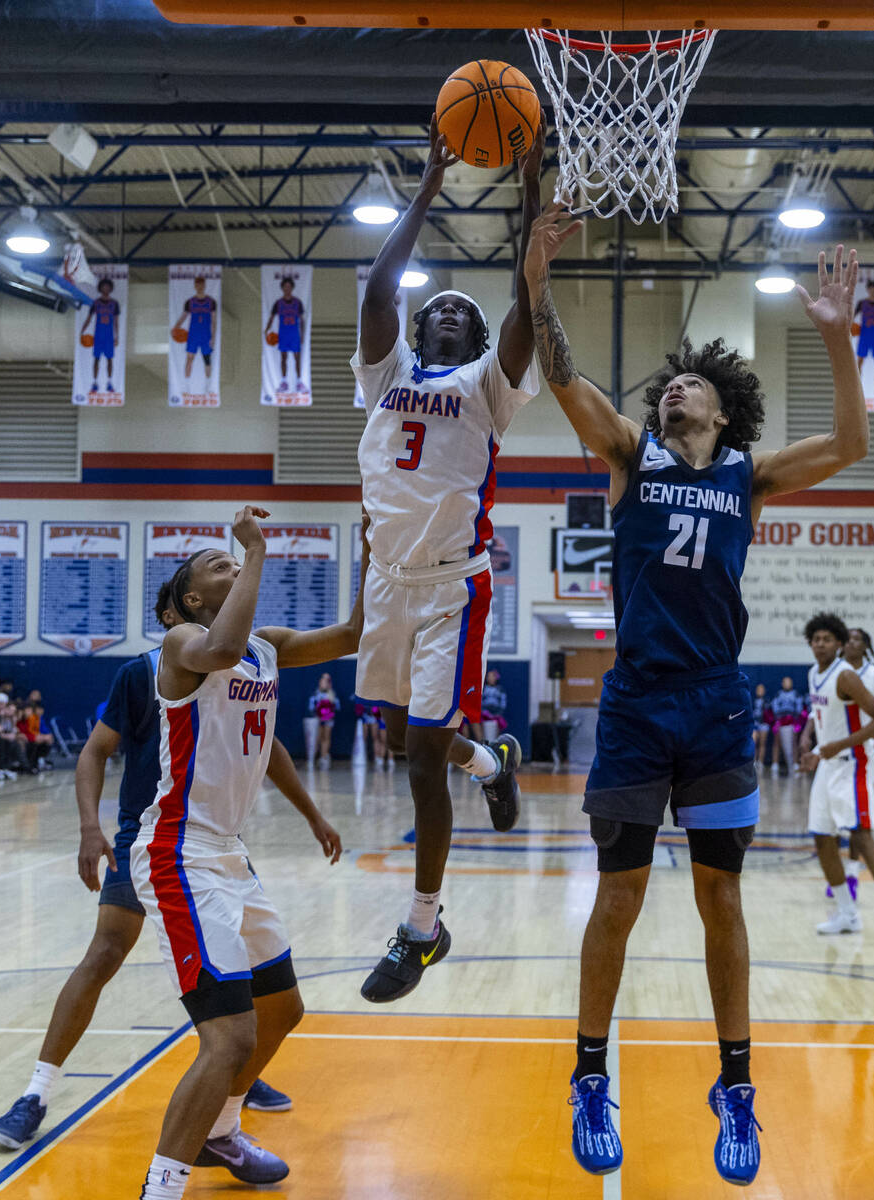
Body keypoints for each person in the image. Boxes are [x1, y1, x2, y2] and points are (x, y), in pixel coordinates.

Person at [524, 207, 869, 1186]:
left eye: (694, 384)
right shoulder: (630, 457)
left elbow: (849, 440)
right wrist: (536, 276)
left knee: (723, 896)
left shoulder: (749, 479)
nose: (676, 386)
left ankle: (737, 1087)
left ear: (720, 413)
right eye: (669, 382)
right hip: (636, 701)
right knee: (620, 896)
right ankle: (591, 1075)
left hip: (716, 703)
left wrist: (839, 341)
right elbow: (558, 375)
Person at [0, 583, 343, 1153]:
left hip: (215, 840)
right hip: (151, 837)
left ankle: (229, 1075)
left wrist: (313, 815)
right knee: (105, 953)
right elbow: (95, 750)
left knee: (249, 976)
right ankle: (36, 1091)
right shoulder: (145, 670)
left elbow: (268, 744)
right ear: (178, 612)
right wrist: (88, 827)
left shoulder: (247, 663)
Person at [350, 116, 543, 1004]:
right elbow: (378, 293)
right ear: (421, 333)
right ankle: (493, 763)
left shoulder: (488, 389)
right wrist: (427, 185)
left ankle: (422, 928)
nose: (452, 318)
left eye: (465, 316)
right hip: (384, 581)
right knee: (401, 741)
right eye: (441, 312)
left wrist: (531, 199)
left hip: (451, 589)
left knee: (422, 757)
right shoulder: (384, 373)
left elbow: (524, 312)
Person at [129, 505, 367, 1197]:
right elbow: (221, 653)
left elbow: (352, 634)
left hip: (229, 854)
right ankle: (161, 1187)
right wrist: (255, 550)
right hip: (178, 851)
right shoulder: (183, 646)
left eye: (232, 559)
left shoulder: (268, 645)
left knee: (283, 1010)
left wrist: (377, 548)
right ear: (190, 601)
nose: (229, 563)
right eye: (217, 566)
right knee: (228, 1038)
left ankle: (221, 1130)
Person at [799, 613, 874, 946]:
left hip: (854, 763)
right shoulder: (813, 674)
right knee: (822, 838)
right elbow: (824, 722)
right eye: (815, 638)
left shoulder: (846, 676)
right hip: (828, 764)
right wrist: (813, 749)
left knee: (861, 838)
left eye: (827, 639)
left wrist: (839, 745)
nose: (820, 644)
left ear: (838, 644)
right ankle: (847, 914)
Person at [816, 625, 874, 900]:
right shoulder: (835, 673)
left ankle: (851, 873)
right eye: (848, 638)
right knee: (834, 823)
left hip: (861, 755)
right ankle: (844, 879)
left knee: (856, 821)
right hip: (835, 755)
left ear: (865, 646)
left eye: (858, 639)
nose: (852, 642)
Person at [264, 275, 307, 395]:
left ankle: (299, 382)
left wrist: (302, 335)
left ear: (292, 288)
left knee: (297, 358)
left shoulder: (297, 303)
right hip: (283, 333)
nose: (287, 288)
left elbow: (302, 320)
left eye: (289, 286)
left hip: (294, 334)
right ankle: (284, 381)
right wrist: (266, 330)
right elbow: (271, 318)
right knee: (283, 358)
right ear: (282, 288)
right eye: (285, 286)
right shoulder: (278, 303)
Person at [172, 276, 216, 380]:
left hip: (206, 335)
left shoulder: (211, 302)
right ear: (195, 286)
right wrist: (175, 328)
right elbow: (183, 317)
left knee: (207, 359)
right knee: (189, 359)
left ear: (204, 286)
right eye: (198, 285)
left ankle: (208, 385)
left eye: (202, 284)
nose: (200, 287)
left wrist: (213, 337)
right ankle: (186, 383)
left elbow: (214, 321)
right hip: (193, 335)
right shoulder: (190, 302)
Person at [80, 276, 120, 392]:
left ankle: (110, 382)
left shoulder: (114, 303)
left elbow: (116, 322)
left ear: (110, 288)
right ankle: (94, 383)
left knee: (109, 359)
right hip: (98, 335)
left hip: (109, 336)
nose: (106, 288)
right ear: (100, 288)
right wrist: (82, 331)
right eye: (104, 286)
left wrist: (117, 336)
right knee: (96, 359)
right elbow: (89, 318)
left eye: (108, 287)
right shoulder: (96, 303)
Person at [769, 676, 804, 775]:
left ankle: (795, 763)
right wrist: (780, 717)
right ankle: (775, 764)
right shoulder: (778, 695)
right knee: (776, 741)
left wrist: (793, 717)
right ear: (782, 684)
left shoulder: (796, 694)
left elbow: (799, 708)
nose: (787, 684)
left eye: (789, 682)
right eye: (785, 682)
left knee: (794, 741)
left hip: (793, 722)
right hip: (780, 722)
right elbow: (774, 707)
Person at [308, 672, 339, 768]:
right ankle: (313, 758)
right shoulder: (316, 694)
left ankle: (324, 757)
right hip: (318, 719)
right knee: (318, 738)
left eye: (327, 681)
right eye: (323, 680)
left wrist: (330, 704)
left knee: (326, 737)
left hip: (328, 719)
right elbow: (311, 706)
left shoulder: (331, 694)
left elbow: (337, 707)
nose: (325, 683)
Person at [470, 668, 508, 742]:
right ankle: (482, 742)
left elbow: (503, 704)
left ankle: (495, 743)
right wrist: (483, 711)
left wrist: (497, 713)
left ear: (496, 678)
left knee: (500, 722)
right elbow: (479, 701)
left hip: (495, 714)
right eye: (488, 676)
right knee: (475, 721)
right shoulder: (483, 688)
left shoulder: (500, 689)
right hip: (483, 713)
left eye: (492, 676)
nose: (490, 678)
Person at [751, 683, 770, 769]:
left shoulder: (767, 701)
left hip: (763, 724)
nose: (760, 691)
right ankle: (753, 761)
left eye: (762, 689)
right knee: (753, 742)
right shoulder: (752, 701)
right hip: (755, 724)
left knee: (762, 743)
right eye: (759, 689)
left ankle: (761, 762)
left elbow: (769, 714)